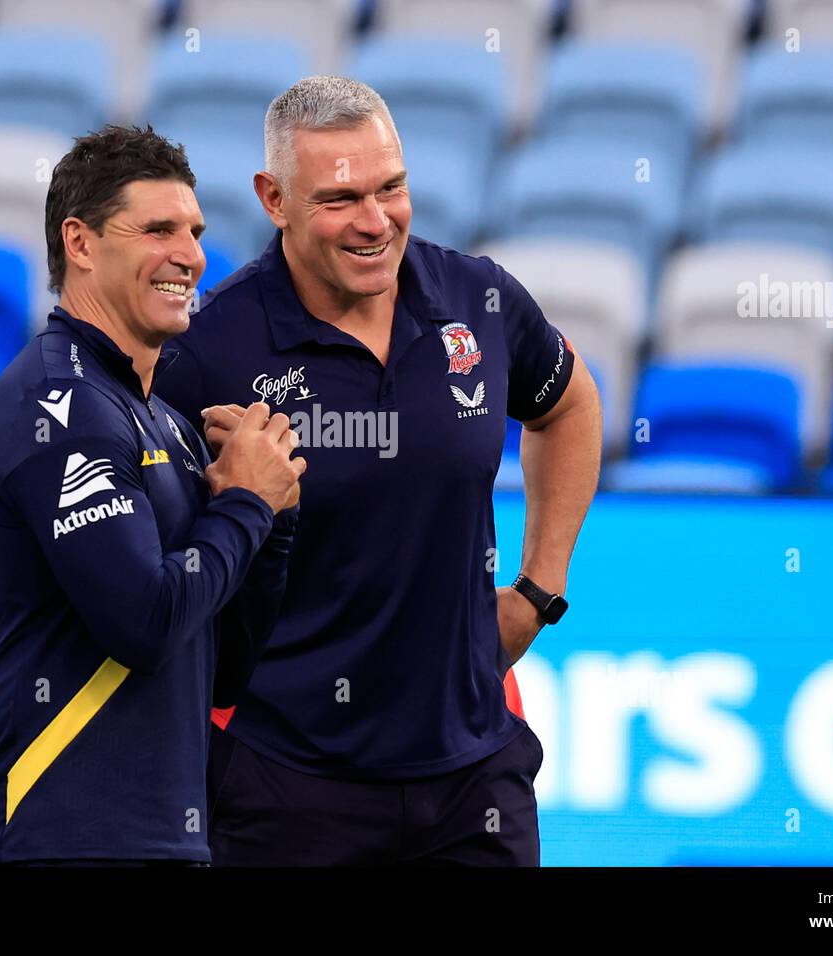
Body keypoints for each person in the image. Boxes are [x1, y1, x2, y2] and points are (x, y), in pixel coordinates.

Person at [155, 76, 603, 866]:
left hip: (475, 776)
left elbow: (568, 406)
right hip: (282, 787)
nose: (375, 222)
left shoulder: (479, 298)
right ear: (274, 199)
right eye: (339, 199)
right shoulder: (209, 346)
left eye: (391, 188)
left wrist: (538, 591)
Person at [0, 124, 304, 866]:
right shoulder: (59, 400)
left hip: (159, 840)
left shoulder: (167, 425)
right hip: (52, 837)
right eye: (158, 230)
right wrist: (243, 503)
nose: (191, 256)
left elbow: (222, 665)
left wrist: (272, 517)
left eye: (196, 231)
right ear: (80, 243)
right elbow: (142, 623)